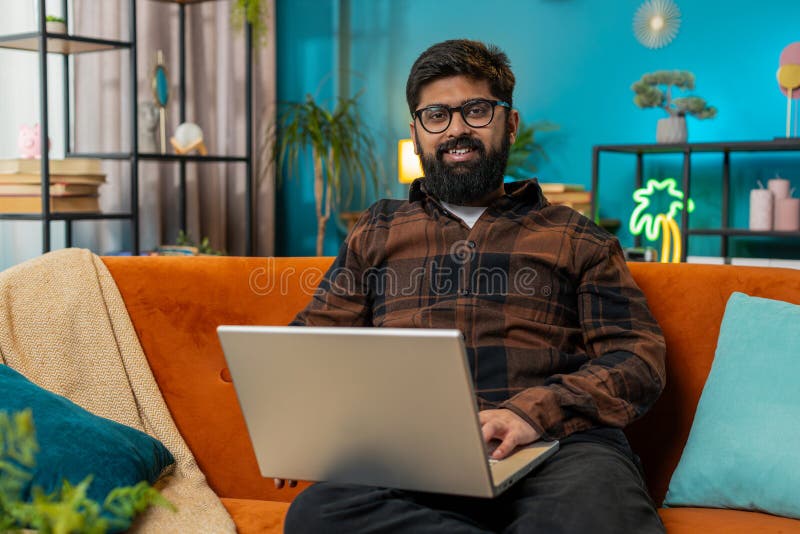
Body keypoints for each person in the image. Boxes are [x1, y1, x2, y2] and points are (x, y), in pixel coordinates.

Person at [281, 39, 667, 534]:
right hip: (410, 457)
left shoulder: (577, 236)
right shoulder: (376, 230)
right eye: (436, 115)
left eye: (476, 110)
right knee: (319, 516)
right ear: (417, 133)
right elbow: (312, 343)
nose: (456, 129)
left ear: (510, 123)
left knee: (599, 518)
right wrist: (301, 427)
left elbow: (637, 357)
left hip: (558, 449)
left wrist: (532, 413)